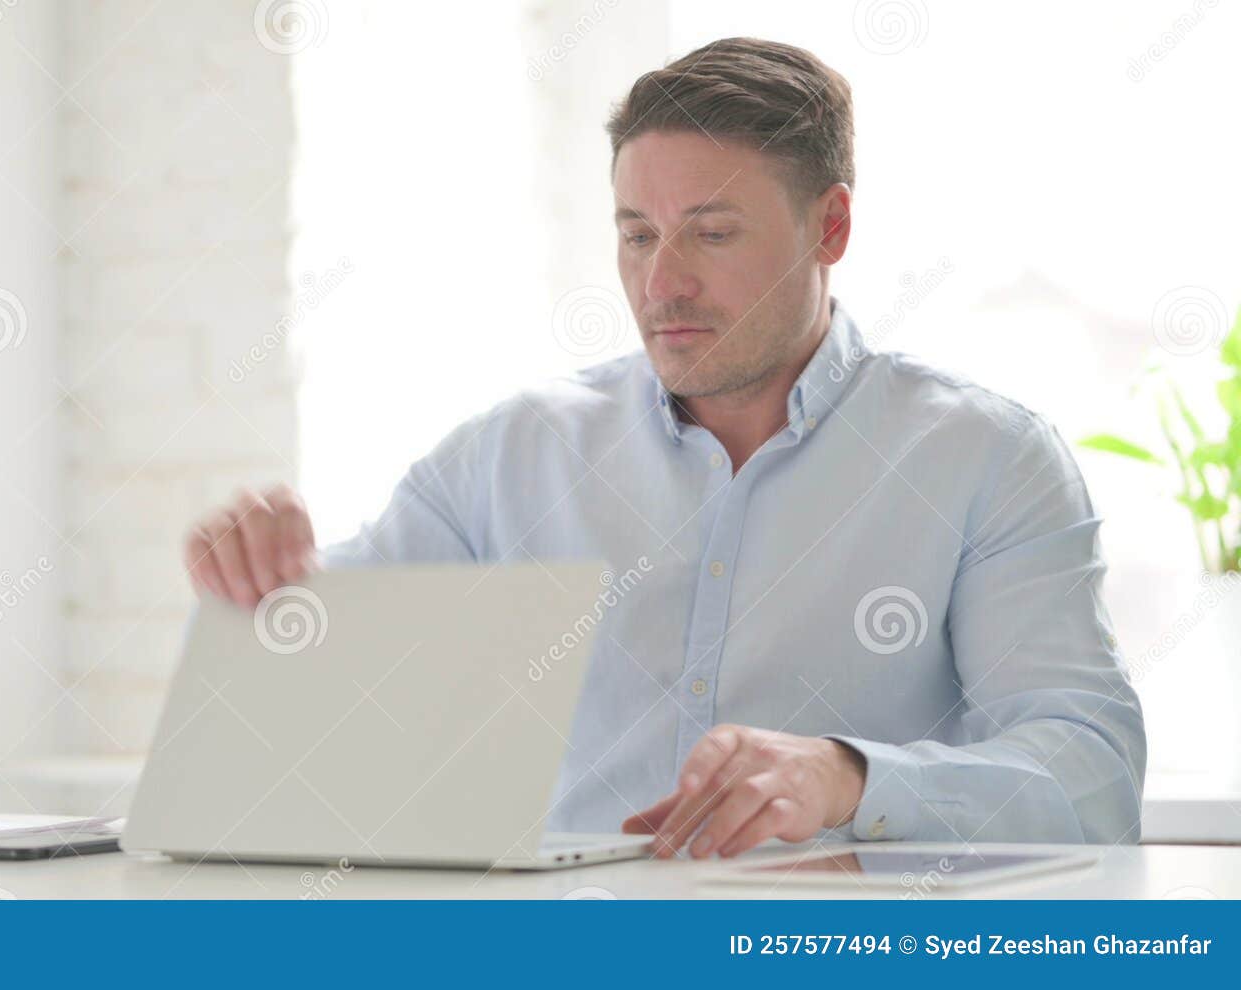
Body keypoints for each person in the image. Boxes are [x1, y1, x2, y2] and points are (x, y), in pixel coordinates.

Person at [183, 37, 1145, 858]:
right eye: (637, 235)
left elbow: (1091, 775)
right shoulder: (510, 456)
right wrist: (263, 572)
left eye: (711, 233)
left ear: (832, 227)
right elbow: (316, 684)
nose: (663, 282)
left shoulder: (984, 459)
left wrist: (850, 777)